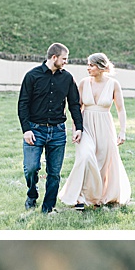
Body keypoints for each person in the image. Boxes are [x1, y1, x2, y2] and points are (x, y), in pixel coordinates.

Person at [17, 42, 83, 215]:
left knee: (54, 173)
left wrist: (79, 127)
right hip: (35, 129)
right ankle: (32, 194)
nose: (66, 62)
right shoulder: (32, 76)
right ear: (54, 57)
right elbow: (23, 104)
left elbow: (74, 104)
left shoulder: (67, 78)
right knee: (31, 168)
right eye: (64, 59)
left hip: (58, 131)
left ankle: (48, 208)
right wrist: (26, 129)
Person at [58, 52, 131, 209]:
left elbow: (121, 110)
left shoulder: (113, 84)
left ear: (100, 67)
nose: (88, 68)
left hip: (105, 127)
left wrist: (122, 131)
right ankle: (79, 198)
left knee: (102, 163)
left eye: (91, 65)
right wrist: (75, 129)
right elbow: (76, 108)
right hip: (86, 127)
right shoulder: (84, 83)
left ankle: (97, 198)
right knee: (85, 157)